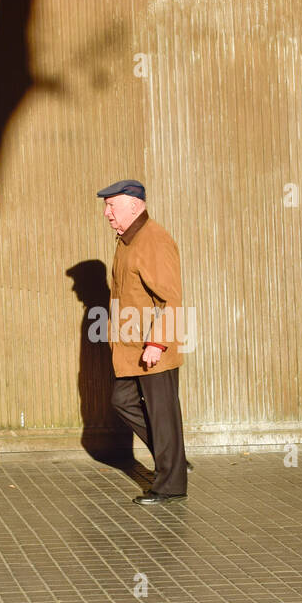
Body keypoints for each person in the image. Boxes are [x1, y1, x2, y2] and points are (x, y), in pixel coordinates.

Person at [97, 179, 192, 505]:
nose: (107, 213)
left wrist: (158, 343)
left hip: (152, 347)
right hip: (131, 347)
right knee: (122, 401)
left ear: (135, 205)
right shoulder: (127, 240)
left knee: (162, 414)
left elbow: (172, 298)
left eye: (112, 206)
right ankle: (173, 459)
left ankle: (171, 485)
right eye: (106, 207)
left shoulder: (152, 240)